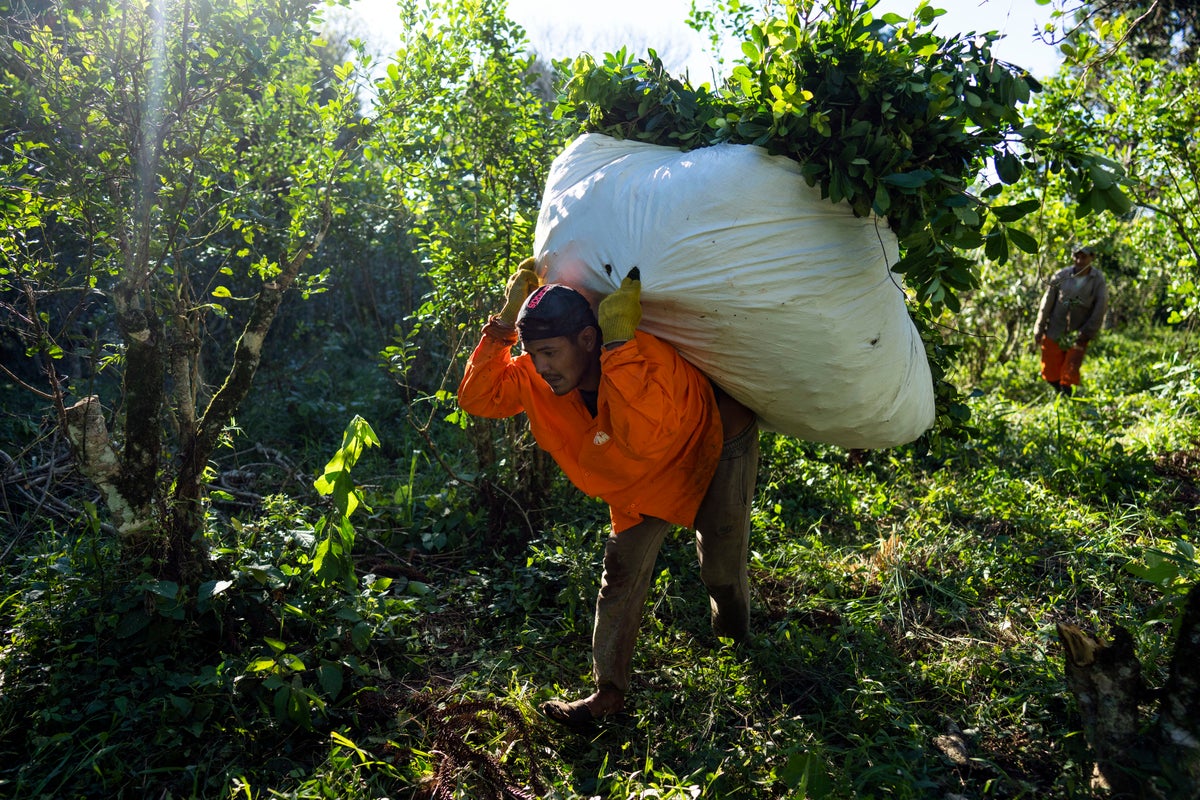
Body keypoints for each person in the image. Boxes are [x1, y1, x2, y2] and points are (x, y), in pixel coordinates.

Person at [457, 259, 759, 725]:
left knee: (720, 568)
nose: (541, 367)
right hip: (641, 478)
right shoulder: (537, 376)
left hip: (715, 439)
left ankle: (736, 639)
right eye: (534, 354)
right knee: (620, 572)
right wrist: (504, 322)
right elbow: (477, 398)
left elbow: (645, 437)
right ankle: (607, 695)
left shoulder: (644, 357)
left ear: (586, 339)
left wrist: (619, 344)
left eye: (551, 353)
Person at [1034, 244, 1109, 396]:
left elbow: (1100, 307)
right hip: (1055, 329)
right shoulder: (1061, 276)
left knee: (1070, 369)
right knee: (1049, 368)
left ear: (1092, 258)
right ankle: (1057, 393)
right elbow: (1047, 302)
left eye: (1084, 257)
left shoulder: (1097, 280)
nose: (1079, 260)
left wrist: (1087, 332)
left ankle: (1067, 397)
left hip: (1079, 332)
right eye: (1077, 256)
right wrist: (1039, 328)